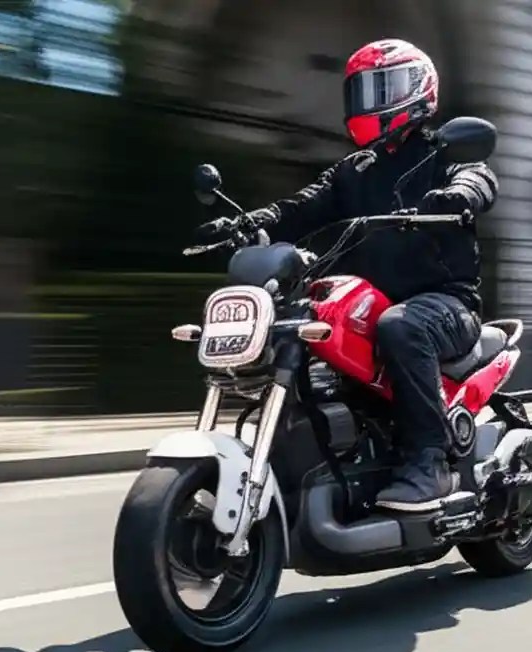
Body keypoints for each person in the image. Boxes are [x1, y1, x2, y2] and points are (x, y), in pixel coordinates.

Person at [195, 39, 499, 512]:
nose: (372, 101)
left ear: (418, 89)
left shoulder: (443, 153)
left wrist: (459, 195)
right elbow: (301, 207)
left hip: (446, 305)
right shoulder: (353, 171)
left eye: (386, 87)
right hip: (374, 300)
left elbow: (479, 177)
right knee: (301, 323)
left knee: (402, 325)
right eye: (364, 90)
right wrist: (250, 223)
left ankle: (429, 461)